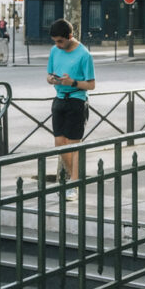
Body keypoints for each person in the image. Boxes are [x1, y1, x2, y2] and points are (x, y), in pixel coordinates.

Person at [46, 18, 95, 196]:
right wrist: (51, 79)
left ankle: (74, 184)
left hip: (76, 100)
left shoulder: (84, 55)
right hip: (59, 99)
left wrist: (72, 82)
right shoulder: (54, 51)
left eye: (60, 41)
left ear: (70, 36)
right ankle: (73, 177)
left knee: (74, 144)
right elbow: (48, 74)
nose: (57, 45)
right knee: (59, 143)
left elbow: (91, 85)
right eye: (55, 41)